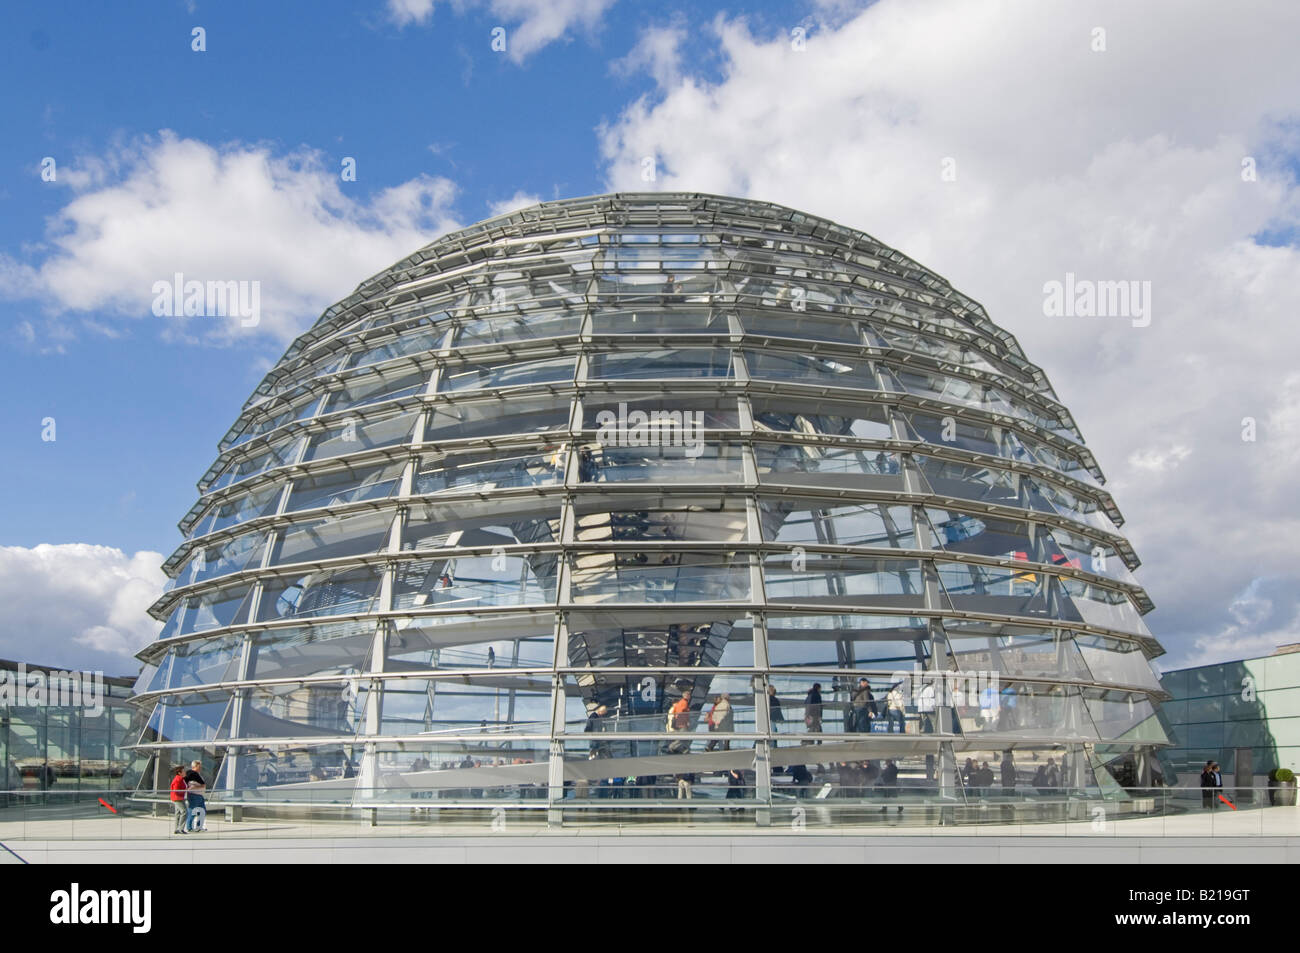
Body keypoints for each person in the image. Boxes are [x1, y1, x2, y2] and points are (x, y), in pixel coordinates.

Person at [184, 760, 208, 833]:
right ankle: (189, 828)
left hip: (200, 796)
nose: (200, 767)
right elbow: (191, 786)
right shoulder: (191, 774)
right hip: (194, 796)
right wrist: (200, 786)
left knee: (202, 811)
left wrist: (200, 786)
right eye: (199, 766)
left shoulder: (197, 774)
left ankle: (199, 827)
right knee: (192, 811)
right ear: (196, 766)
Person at [666, 690, 693, 754]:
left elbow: (675, 713)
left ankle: (684, 749)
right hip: (682, 723)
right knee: (684, 736)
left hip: (678, 723)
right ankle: (673, 746)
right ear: (687, 696)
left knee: (684, 736)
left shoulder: (680, 703)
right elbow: (682, 712)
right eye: (689, 695)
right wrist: (686, 721)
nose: (690, 696)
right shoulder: (684, 702)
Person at [169, 766, 189, 835]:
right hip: (178, 798)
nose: (185, 772)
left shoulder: (180, 778)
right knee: (184, 812)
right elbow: (176, 790)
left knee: (178, 813)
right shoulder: (178, 779)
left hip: (179, 797)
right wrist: (186, 790)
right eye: (183, 771)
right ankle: (180, 829)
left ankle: (177, 829)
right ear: (179, 773)